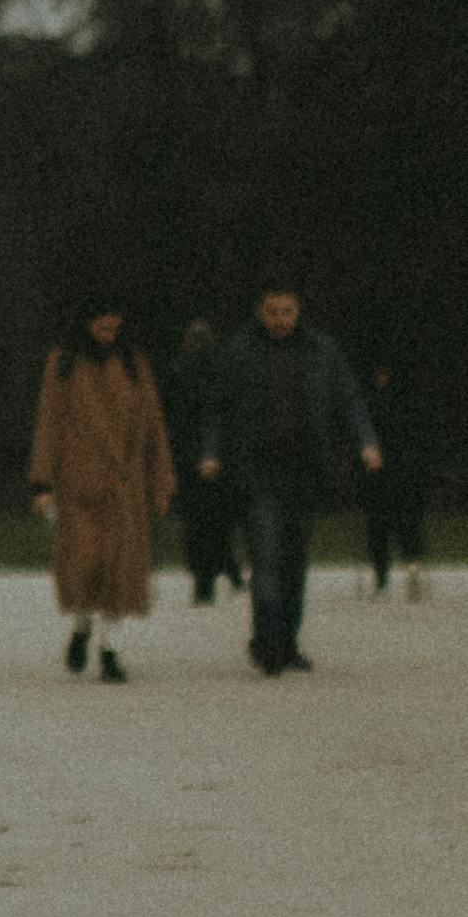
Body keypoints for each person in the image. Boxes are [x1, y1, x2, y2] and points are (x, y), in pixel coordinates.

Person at [196, 284, 380, 674]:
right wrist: (211, 451)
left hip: (305, 471)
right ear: (260, 312)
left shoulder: (321, 351)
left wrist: (366, 441)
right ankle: (266, 642)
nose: (282, 319)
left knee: (294, 562)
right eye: (274, 311)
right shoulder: (239, 353)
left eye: (288, 311)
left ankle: (288, 641)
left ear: (298, 311)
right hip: (257, 472)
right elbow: (217, 408)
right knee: (266, 557)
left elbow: (349, 399)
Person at [27, 298, 175, 682]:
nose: (108, 335)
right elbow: (48, 422)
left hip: (125, 486)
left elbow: (153, 424)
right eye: (102, 328)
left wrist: (161, 481)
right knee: (85, 562)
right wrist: (41, 482)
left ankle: (110, 647)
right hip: (77, 483)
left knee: (120, 569)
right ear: (86, 324)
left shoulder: (133, 364)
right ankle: (82, 625)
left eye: (114, 328)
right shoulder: (63, 364)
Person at [165, 317, 242, 603]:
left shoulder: (177, 370)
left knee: (195, 522)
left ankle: (203, 579)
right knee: (218, 521)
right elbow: (223, 414)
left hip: (187, 455)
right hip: (219, 456)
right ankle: (227, 570)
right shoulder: (222, 370)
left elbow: (173, 417)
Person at [360, 355, 432, 601]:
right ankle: (412, 563)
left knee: (380, 527)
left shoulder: (371, 401)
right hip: (403, 470)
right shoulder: (411, 399)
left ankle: (383, 580)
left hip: (380, 470)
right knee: (407, 521)